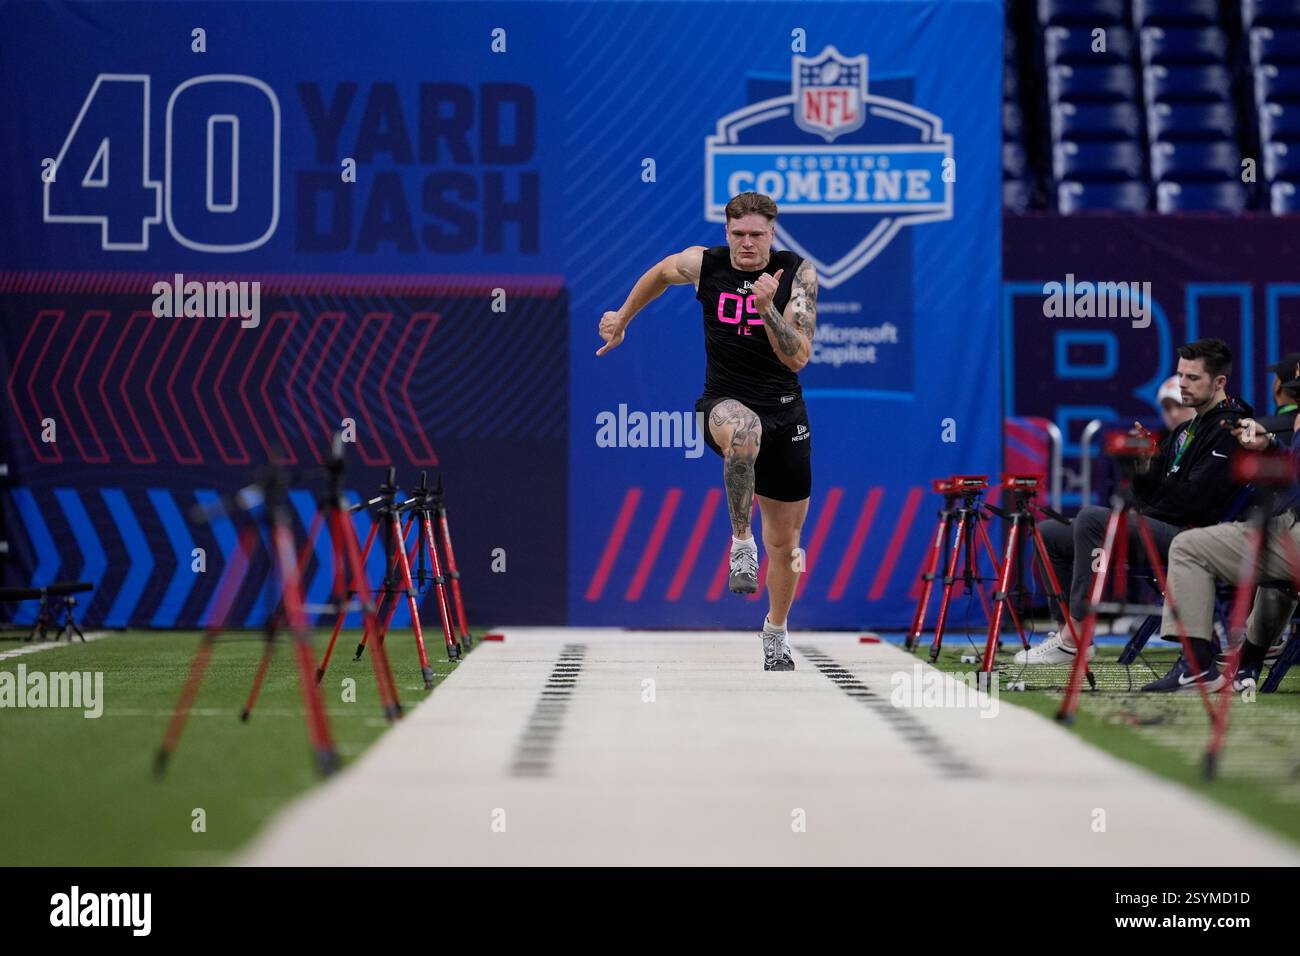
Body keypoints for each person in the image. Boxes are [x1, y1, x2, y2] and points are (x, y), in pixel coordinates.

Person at [596, 192, 817, 671]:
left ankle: (775, 630)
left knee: (786, 542)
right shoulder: (705, 264)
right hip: (722, 403)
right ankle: (741, 543)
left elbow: (798, 357)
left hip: (786, 412)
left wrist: (766, 307)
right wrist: (623, 319)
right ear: (726, 233)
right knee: (744, 431)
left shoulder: (797, 274)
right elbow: (659, 273)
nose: (746, 244)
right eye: (738, 234)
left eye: (756, 235)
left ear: (772, 234)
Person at [1017, 339, 1250, 665]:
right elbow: (1149, 491)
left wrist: (1151, 499)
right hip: (1163, 525)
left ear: (1219, 382)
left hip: (1192, 536)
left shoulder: (1231, 428)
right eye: (1180, 375)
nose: (1182, 384)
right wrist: (1144, 464)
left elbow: (1196, 502)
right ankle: (1068, 631)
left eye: (1192, 377)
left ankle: (1076, 638)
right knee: (1048, 533)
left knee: (1093, 519)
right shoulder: (1187, 429)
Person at [1142, 399, 1300, 691]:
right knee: (1278, 579)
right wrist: (1270, 445)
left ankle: (1198, 665)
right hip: (1289, 523)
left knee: (1188, 547)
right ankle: (1247, 661)